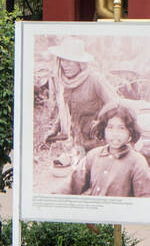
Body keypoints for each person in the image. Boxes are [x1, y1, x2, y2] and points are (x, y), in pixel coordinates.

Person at [44, 37, 120, 168]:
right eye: (63, 60)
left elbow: (114, 104)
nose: (65, 65)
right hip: (78, 143)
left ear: (81, 63)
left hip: (98, 143)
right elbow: (66, 109)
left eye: (70, 61)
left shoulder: (95, 80)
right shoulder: (66, 82)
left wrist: (100, 122)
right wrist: (54, 129)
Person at [66, 104, 150, 197]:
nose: (115, 134)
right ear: (103, 129)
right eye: (110, 128)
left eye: (121, 128)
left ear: (130, 131)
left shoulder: (137, 162)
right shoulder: (93, 156)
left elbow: (147, 200)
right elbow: (72, 184)